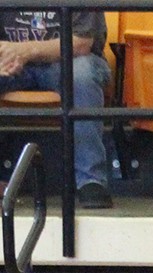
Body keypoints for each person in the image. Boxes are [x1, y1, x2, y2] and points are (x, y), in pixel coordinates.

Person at [0, 10, 112, 208]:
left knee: (82, 74)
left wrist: (25, 51)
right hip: (13, 64)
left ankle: (90, 180)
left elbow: (81, 43)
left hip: (67, 61)